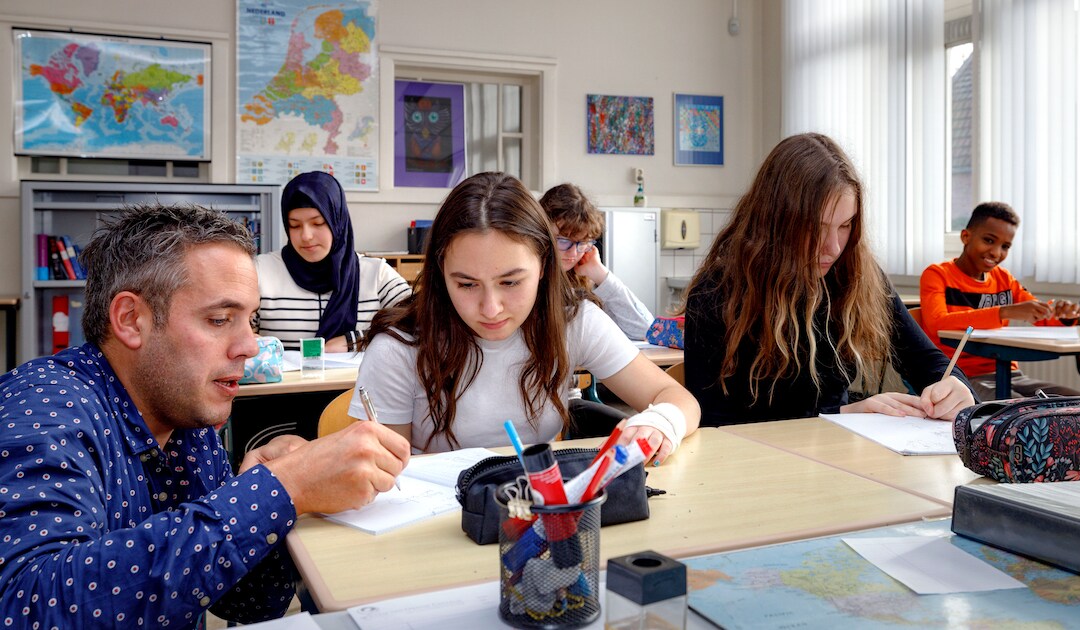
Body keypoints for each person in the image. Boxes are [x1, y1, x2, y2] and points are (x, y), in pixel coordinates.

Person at [0, 204, 411, 627]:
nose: (250, 346)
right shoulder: (44, 410)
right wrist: (284, 487)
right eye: (219, 319)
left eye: (250, 320)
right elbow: (26, 605)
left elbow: (245, 602)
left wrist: (275, 495)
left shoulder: (185, 416)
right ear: (131, 320)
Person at [350, 172, 700, 465]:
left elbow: (676, 397)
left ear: (544, 266)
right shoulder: (399, 348)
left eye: (511, 282)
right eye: (466, 284)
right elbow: (382, 475)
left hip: (540, 507)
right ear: (441, 272)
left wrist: (661, 421)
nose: (491, 308)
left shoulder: (573, 321)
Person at [683, 133, 976, 426]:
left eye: (845, 225)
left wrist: (955, 386)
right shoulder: (717, 291)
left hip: (838, 447)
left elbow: (925, 360)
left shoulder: (856, 273)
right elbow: (714, 421)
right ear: (776, 222)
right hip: (758, 454)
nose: (833, 248)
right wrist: (839, 415)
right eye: (815, 228)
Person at [919, 202, 1080, 400]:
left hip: (1009, 374)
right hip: (959, 377)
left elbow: (1041, 317)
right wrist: (1003, 312)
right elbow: (937, 322)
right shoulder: (937, 274)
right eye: (989, 240)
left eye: (1005, 246)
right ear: (965, 236)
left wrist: (1063, 315)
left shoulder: (1004, 279)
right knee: (1024, 410)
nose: (996, 253)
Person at [256, 171, 411, 352]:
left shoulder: (377, 275)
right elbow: (235, 331)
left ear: (337, 221)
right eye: (295, 225)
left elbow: (420, 324)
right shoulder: (261, 272)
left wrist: (356, 341)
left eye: (318, 223)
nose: (306, 236)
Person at [539, 183, 654, 341]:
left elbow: (646, 330)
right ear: (542, 234)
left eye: (582, 243)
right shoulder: (528, 280)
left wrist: (602, 275)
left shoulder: (583, 283)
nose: (573, 253)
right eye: (564, 241)